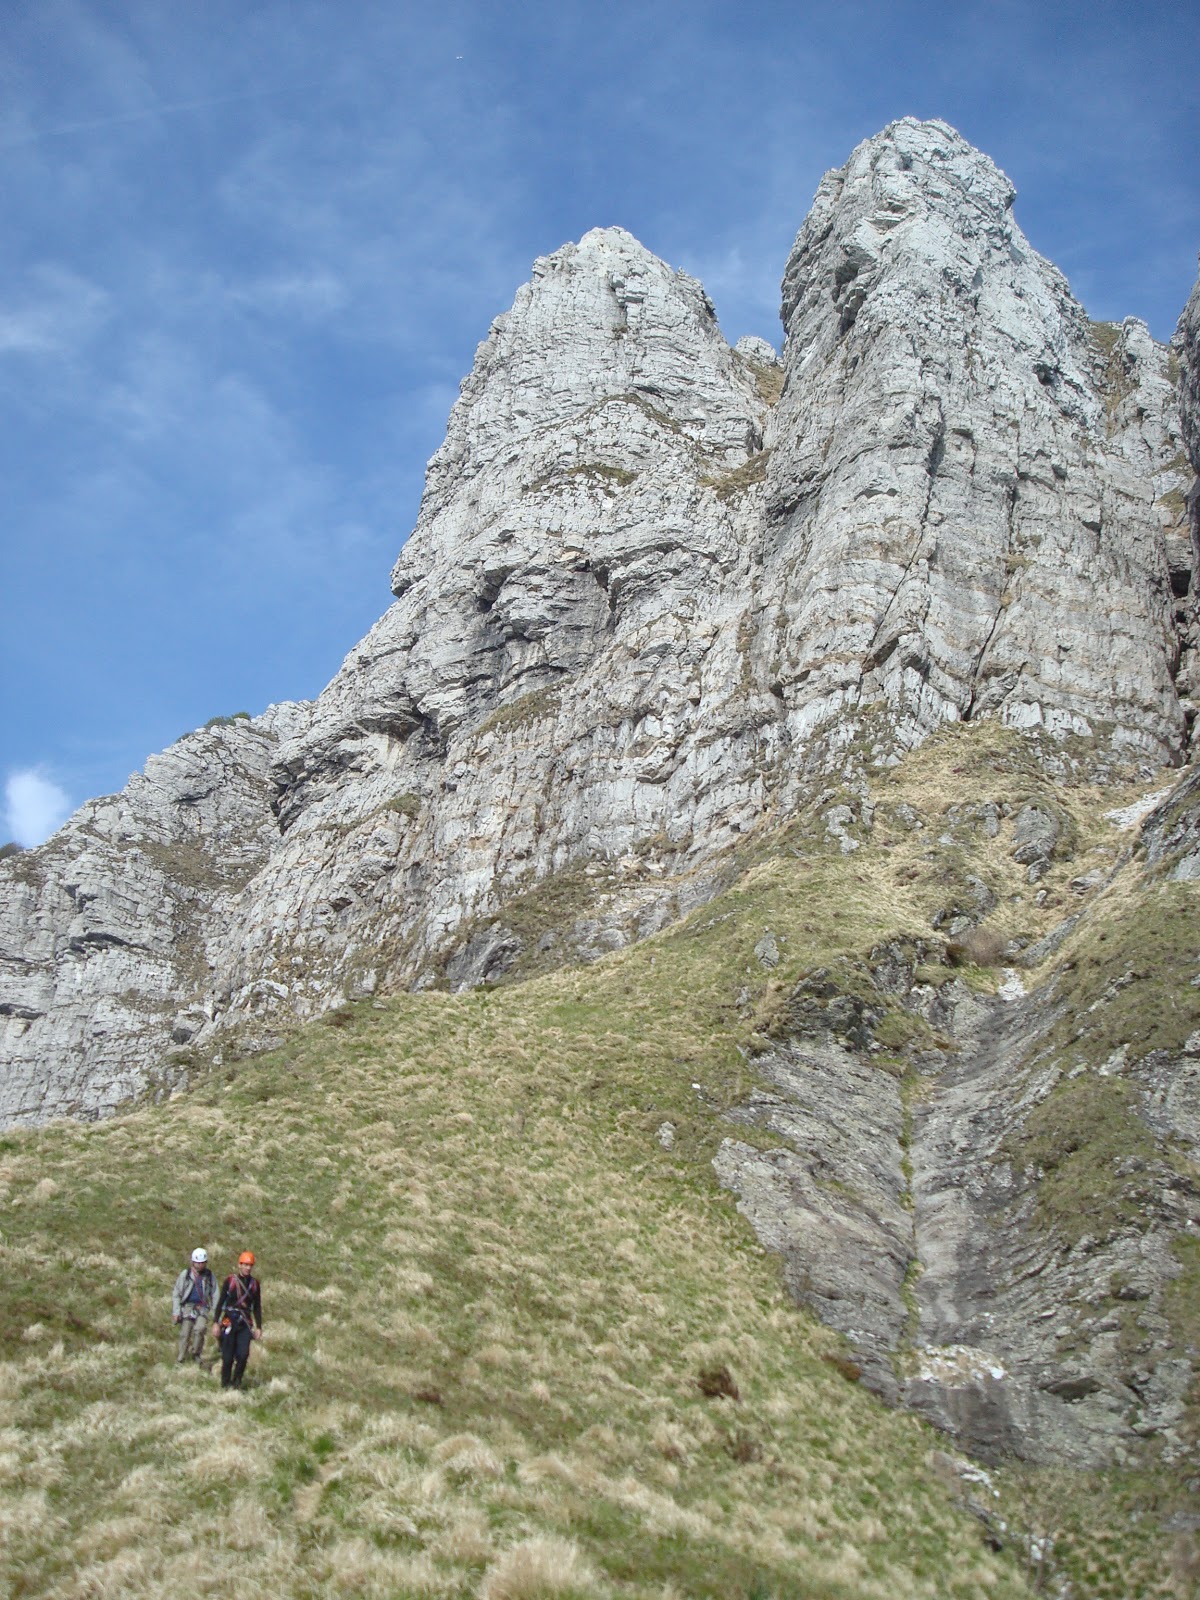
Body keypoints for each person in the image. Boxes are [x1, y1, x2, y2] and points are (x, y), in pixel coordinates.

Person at [212, 1250, 263, 1389]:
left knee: (243, 1355)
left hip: (245, 1322)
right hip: (228, 1319)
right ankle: (225, 1384)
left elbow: (257, 1306)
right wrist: (216, 1322)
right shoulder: (230, 1281)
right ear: (239, 1265)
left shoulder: (254, 1284)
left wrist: (259, 1327)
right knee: (227, 1357)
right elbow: (221, 1302)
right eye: (245, 1265)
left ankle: (237, 1381)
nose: (248, 1268)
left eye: (250, 1265)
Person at [172, 1247, 216, 1364]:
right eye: (198, 1262)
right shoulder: (185, 1275)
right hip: (187, 1307)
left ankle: (196, 1353)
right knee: (185, 1333)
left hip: (202, 1308)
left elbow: (215, 1294)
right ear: (193, 1262)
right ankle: (181, 1357)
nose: (200, 1265)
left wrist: (215, 1313)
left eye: (202, 1263)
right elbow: (177, 1293)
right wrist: (176, 1312)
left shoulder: (209, 1276)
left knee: (200, 1329)